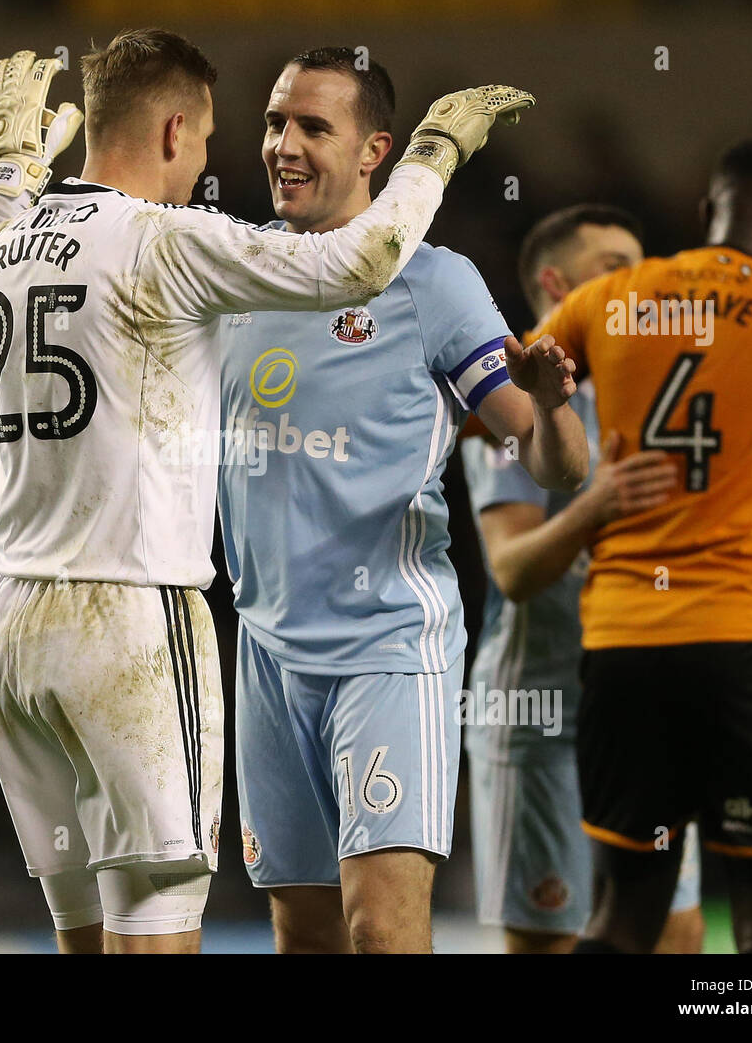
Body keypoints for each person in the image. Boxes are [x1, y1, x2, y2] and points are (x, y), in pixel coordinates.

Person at [0, 32, 535, 953]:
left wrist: (12, 164)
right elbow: (360, 261)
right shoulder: (174, 244)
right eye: (223, 136)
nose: (217, 163)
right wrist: (436, 152)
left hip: (11, 626)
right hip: (130, 612)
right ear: (175, 129)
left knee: (84, 932)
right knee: (157, 931)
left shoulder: (10, 240)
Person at [217, 48, 588, 954]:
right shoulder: (233, 271)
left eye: (313, 126)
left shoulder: (434, 282)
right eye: (274, 123)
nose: (284, 145)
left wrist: (550, 403)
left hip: (388, 648)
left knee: (381, 928)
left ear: (377, 149)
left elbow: (553, 468)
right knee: (303, 935)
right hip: (265, 653)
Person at [527, 142, 752, 953]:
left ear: (707, 209)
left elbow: (524, 416)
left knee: (620, 920)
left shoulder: (609, 299)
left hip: (627, 645)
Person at [460, 204, 704, 953]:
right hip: (542, 722)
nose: (639, 288)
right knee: (553, 943)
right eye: (613, 271)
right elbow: (512, 570)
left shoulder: (660, 395)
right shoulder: (512, 404)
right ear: (555, 281)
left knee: (679, 936)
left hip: (644, 715)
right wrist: (596, 502)